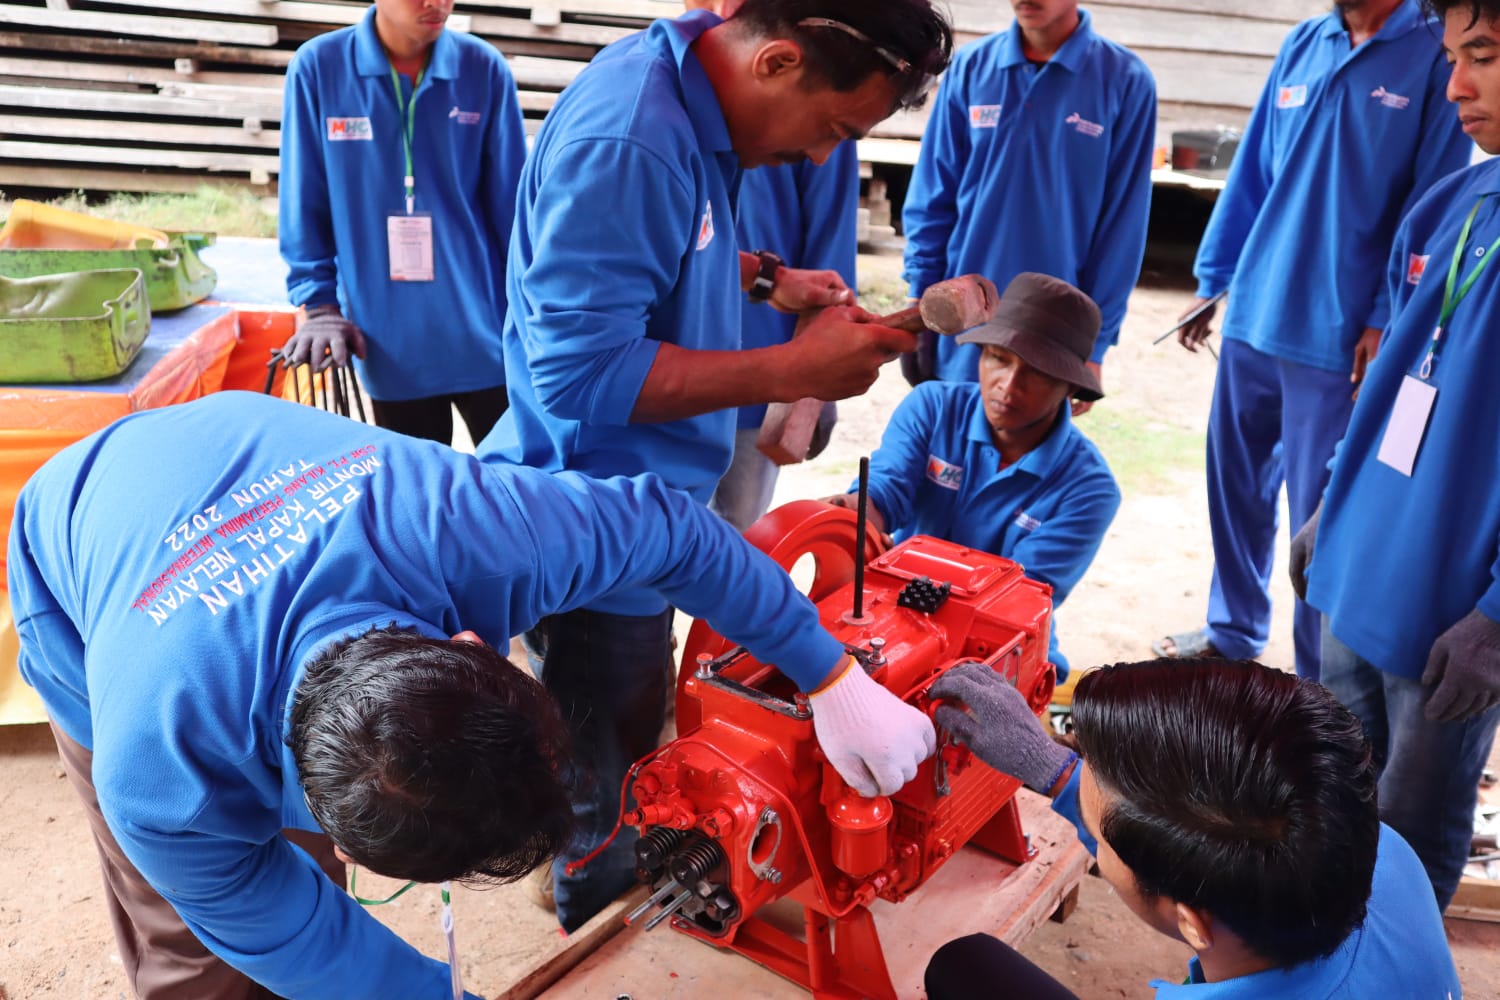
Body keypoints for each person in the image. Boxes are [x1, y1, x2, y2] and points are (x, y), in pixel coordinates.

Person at [7, 391, 935, 1000]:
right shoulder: (159, 772)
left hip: (231, 446)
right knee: (201, 955)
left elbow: (676, 536)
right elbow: (286, 929)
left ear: (471, 641)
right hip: (80, 546)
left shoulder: (477, 528)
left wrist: (831, 673)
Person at [478, 0, 954, 932]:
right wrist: (792, 367)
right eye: (833, 130)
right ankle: (600, 927)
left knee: (619, 733)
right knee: (606, 772)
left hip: (641, 505)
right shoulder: (635, 139)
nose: (824, 159)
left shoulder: (682, 99)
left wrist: (766, 280)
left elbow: (653, 246)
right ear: (777, 61)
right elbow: (575, 372)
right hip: (595, 522)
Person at [1157, 0, 1472, 680]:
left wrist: (1386, 314)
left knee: (1316, 515)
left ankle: (1314, 681)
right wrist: (1214, 278)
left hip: (1338, 329)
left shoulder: (1431, 51)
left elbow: (1435, 196)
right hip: (1255, 310)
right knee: (1233, 484)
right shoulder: (1306, 41)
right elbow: (1253, 176)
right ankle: (1232, 629)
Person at [1293, 0, 1500, 911]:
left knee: (1409, 851)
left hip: (1447, 619)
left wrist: (1498, 617)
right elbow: (1384, 384)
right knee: (1331, 811)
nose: (1455, 85)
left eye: (1484, 56)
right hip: (1353, 573)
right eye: (1454, 57)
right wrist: (1330, 506)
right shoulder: (1455, 200)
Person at [923, 658, 1461, 999]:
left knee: (962, 966)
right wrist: (1056, 770)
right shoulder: (1379, 854)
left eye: (1100, 834)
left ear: (1193, 924)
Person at [823, 274, 1119, 680]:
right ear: (979, 355)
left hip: (996, 650)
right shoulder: (931, 407)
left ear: (1070, 387)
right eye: (998, 357)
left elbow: (1018, 600)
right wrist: (854, 516)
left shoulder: (1089, 490)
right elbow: (885, 491)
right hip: (897, 613)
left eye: (1038, 373)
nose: (1008, 385)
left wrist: (897, 575)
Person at [278, 0, 524, 445]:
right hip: (387, 343)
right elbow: (303, 200)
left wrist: (532, 315)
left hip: (486, 337)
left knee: (517, 492)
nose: (437, 4)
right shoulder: (320, 68)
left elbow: (515, 213)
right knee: (419, 498)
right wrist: (319, 308)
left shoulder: (482, 69)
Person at [901, 0, 1156, 408]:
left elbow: (1122, 225)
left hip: (1053, 336)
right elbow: (934, 193)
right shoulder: (970, 69)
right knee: (950, 458)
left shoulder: (1126, 81)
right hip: (963, 320)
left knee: (1025, 463)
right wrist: (920, 296)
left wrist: (1094, 347)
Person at [686, 7, 861, 534]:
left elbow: (829, 254)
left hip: (760, 368)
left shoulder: (815, 105)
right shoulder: (661, 95)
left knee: (738, 536)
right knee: (654, 541)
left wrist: (811, 391)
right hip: (664, 370)